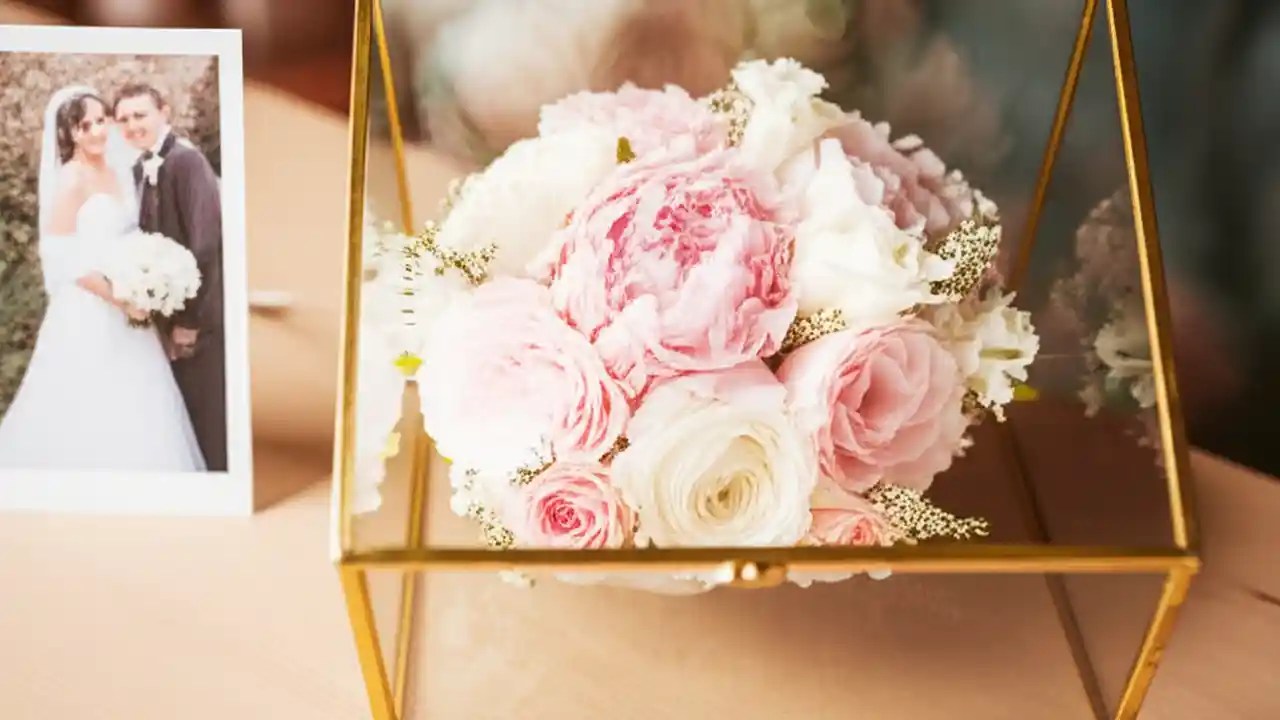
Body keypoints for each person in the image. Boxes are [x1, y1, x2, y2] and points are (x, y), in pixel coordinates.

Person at [0, 85, 205, 472]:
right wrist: (120, 298)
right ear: (70, 134)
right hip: (90, 310)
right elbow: (63, 258)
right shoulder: (71, 180)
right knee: (87, 404)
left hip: (133, 309)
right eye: (84, 125)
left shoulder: (120, 169)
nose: (97, 131)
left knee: (141, 401)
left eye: (101, 120)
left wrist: (151, 278)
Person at [114, 82, 227, 472]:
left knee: (209, 425)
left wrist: (187, 323)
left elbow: (206, 245)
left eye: (140, 114)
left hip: (200, 324)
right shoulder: (137, 169)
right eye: (123, 118)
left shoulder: (187, 162)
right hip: (165, 320)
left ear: (164, 111)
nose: (132, 125)